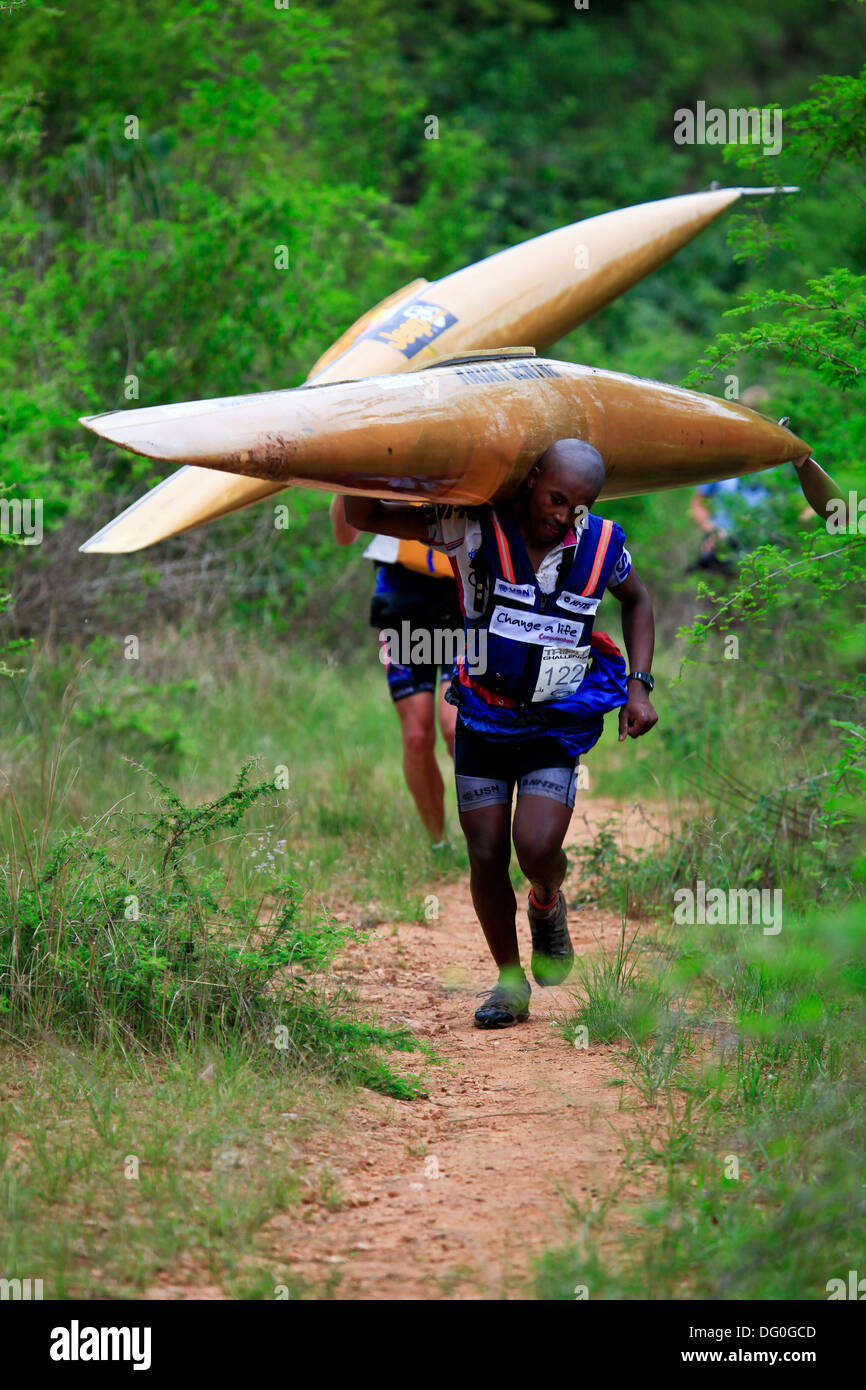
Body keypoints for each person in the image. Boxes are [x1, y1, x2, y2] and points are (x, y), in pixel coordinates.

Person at [343, 438, 658, 1028]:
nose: (564, 515)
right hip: (485, 717)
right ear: (531, 479)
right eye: (556, 497)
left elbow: (637, 600)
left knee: (537, 849)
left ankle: (546, 901)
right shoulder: (473, 529)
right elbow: (366, 517)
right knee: (486, 856)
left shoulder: (602, 545)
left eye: (579, 505)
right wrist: (358, 452)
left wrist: (639, 685)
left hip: (555, 722)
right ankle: (510, 984)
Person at [329, 496, 459, 848]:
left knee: (455, 727)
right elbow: (344, 536)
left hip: (464, 593)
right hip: (403, 596)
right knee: (417, 737)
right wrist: (344, 479)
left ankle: (485, 840)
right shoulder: (385, 455)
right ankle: (439, 845)